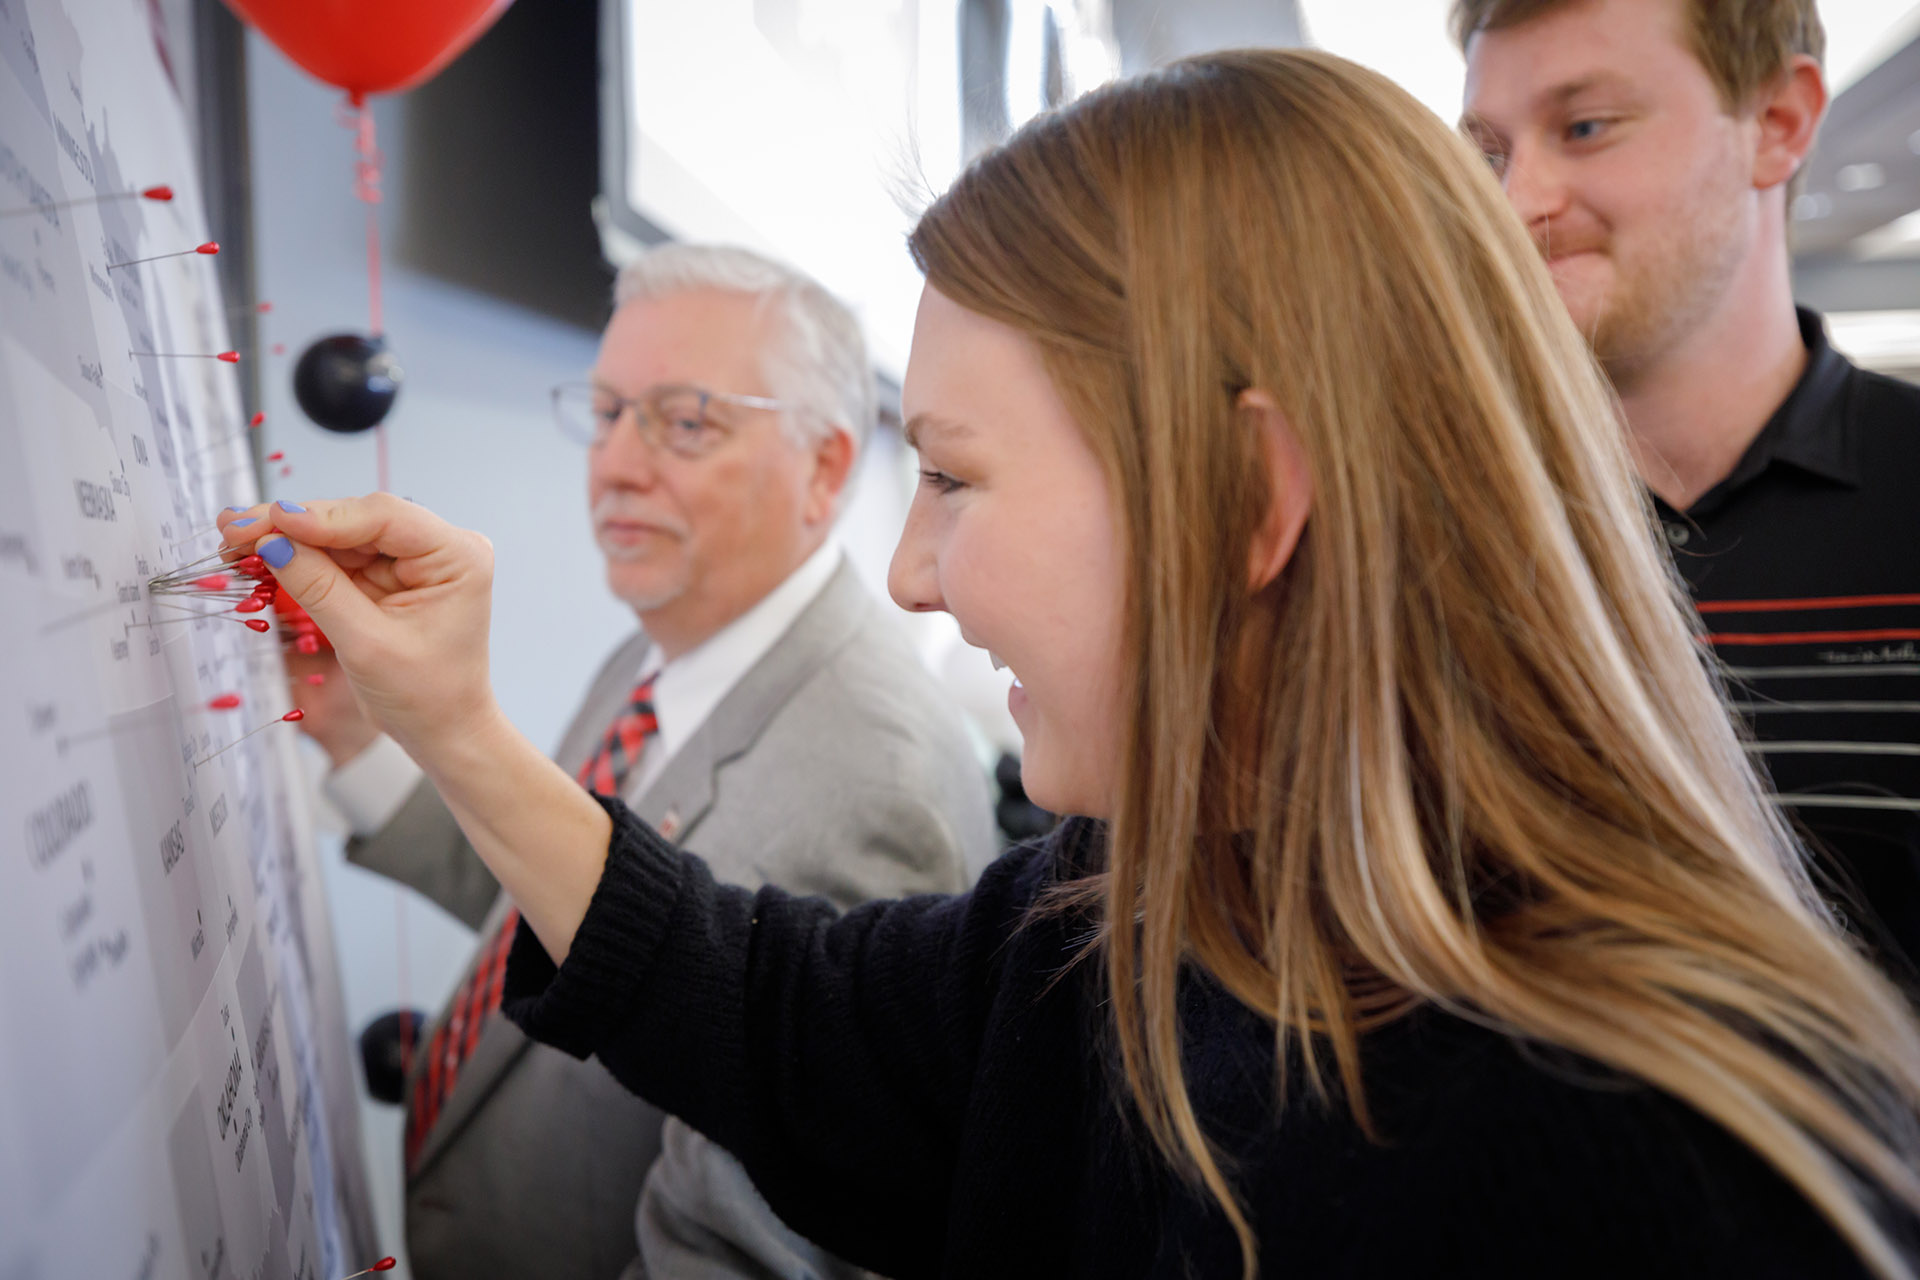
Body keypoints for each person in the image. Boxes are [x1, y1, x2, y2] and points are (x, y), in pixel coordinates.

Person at [227, 49, 1920, 1278]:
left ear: (1250, 494)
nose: (906, 573)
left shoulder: (1644, 1174)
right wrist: (446, 723)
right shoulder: (1144, 897)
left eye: (952, 479)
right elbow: (772, 1003)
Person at [286, 244, 997, 1280]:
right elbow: (566, 895)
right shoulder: (665, 640)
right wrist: (356, 733)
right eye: (610, 410)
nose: (617, 461)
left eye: (685, 420)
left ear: (828, 467)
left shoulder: (874, 778)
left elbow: (751, 1250)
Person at [1456, 0, 1920, 969]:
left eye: (1585, 127)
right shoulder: (1434, 526)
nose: (1516, 202)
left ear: (1778, 125)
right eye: (1491, 152)